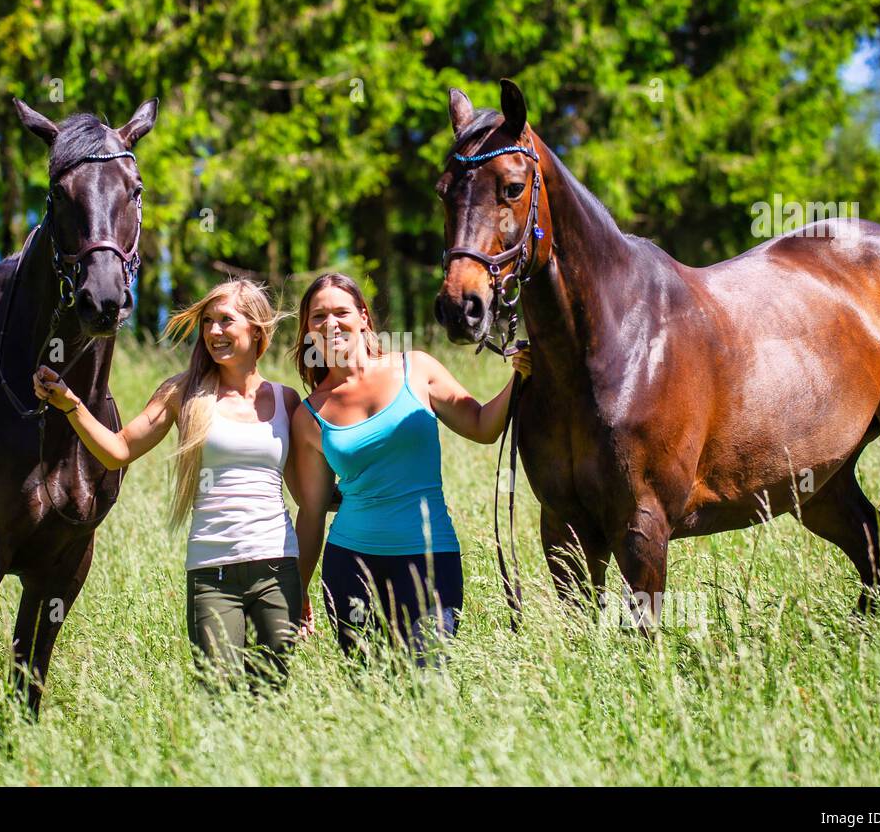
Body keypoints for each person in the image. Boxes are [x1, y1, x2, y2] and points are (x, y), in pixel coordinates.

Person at [33, 279, 303, 685]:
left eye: (225, 321)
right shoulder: (184, 392)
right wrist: (71, 405)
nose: (213, 332)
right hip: (214, 574)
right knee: (219, 699)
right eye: (207, 322)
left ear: (256, 329)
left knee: (273, 693)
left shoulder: (286, 400)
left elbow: (305, 491)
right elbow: (118, 450)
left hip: (278, 568)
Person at [289, 273, 530, 664]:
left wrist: (518, 375)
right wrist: (297, 591)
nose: (330, 324)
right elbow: (312, 514)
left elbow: (483, 425)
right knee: (370, 692)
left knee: (428, 679)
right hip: (351, 566)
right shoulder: (310, 414)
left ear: (363, 316)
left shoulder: (415, 368)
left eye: (340, 312)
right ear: (307, 330)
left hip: (431, 561)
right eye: (318, 317)